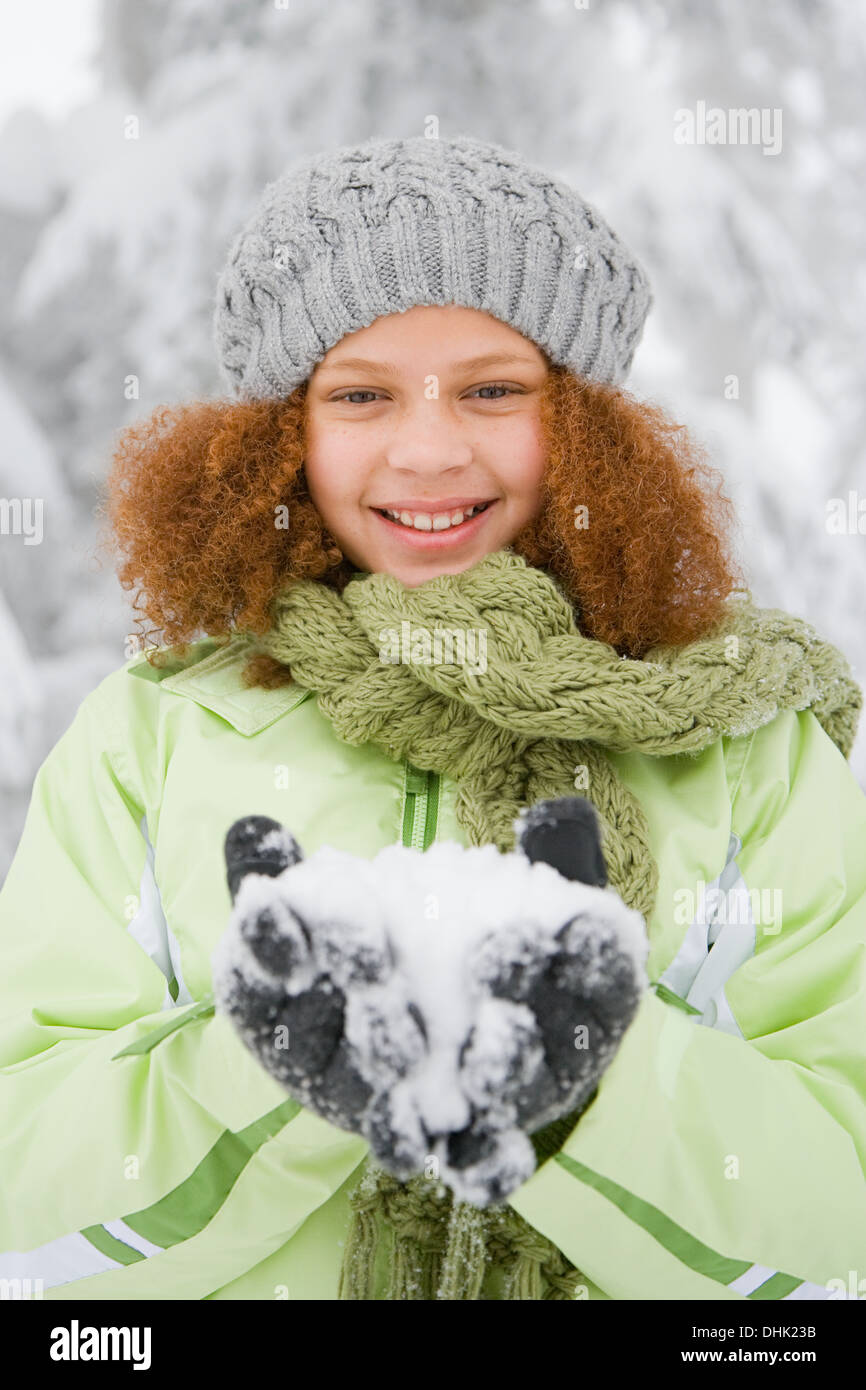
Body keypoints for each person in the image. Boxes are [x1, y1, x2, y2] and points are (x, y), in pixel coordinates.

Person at [1, 133, 864, 1302]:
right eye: (358, 394)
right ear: (279, 437)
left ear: (586, 425)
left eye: (493, 390)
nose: (427, 447)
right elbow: (28, 1226)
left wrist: (593, 1088)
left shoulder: (747, 746)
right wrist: (276, 1072)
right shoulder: (143, 745)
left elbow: (838, 1240)